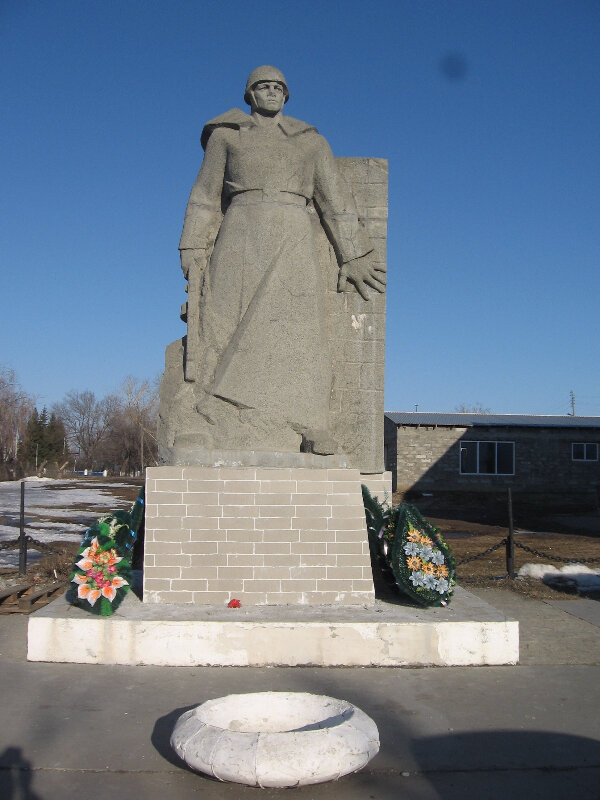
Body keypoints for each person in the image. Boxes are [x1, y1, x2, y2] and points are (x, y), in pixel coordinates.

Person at [171, 66, 386, 456]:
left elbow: (334, 199)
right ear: (249, 95)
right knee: (222, 322)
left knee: (302, 329)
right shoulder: (226, 136)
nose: (270, 93)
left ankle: (310, 425)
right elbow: (204, 194)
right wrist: (190, 246)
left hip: (293, 234)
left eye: (277, 88)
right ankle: (208, 422)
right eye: (262, 87)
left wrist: (353, 254)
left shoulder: (310, 142)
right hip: (239, 232)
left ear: (286, 96)